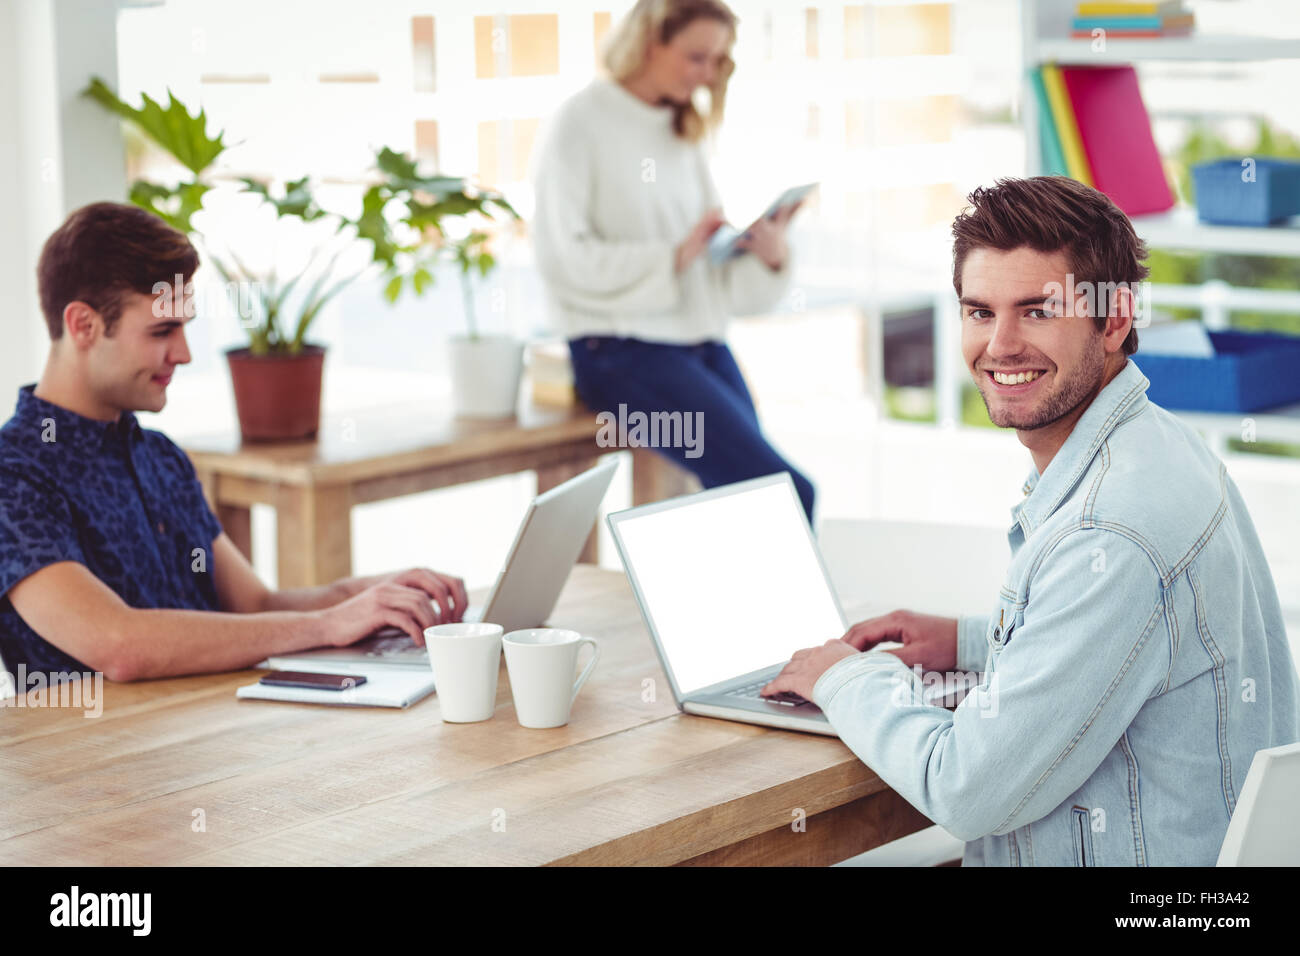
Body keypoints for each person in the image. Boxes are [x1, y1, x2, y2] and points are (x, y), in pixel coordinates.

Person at [763, 176, 1300, 866]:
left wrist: (842, 678)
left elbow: (967, 790)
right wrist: (971, 643)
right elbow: (1135, 646)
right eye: (980, 312)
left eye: (1037, 311)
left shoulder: (1110, 530)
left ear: (1112, 321)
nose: (1001, 345)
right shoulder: (1159, 446)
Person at [0, 202, 467, 685]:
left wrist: (373, 596)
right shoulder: (13, 474)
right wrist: (327, 624)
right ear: (83, 325)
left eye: (184, 327)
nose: (183, 354)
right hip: (101, 756)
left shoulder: (159, 456)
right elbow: (120, 644)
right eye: (162, 330)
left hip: (215, 738)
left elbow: (257, 607)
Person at [530, 0, 815, 521]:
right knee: (788, 496)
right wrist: (671, 256)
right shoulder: (580, 122)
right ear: (649, 42)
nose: (707, 74)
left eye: (718, 62)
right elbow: (561, 258)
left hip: (699, 345)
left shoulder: (680, 129)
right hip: (618, 356)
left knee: (757, 503)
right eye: (696, 57)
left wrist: (765, 256)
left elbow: (709, 278)